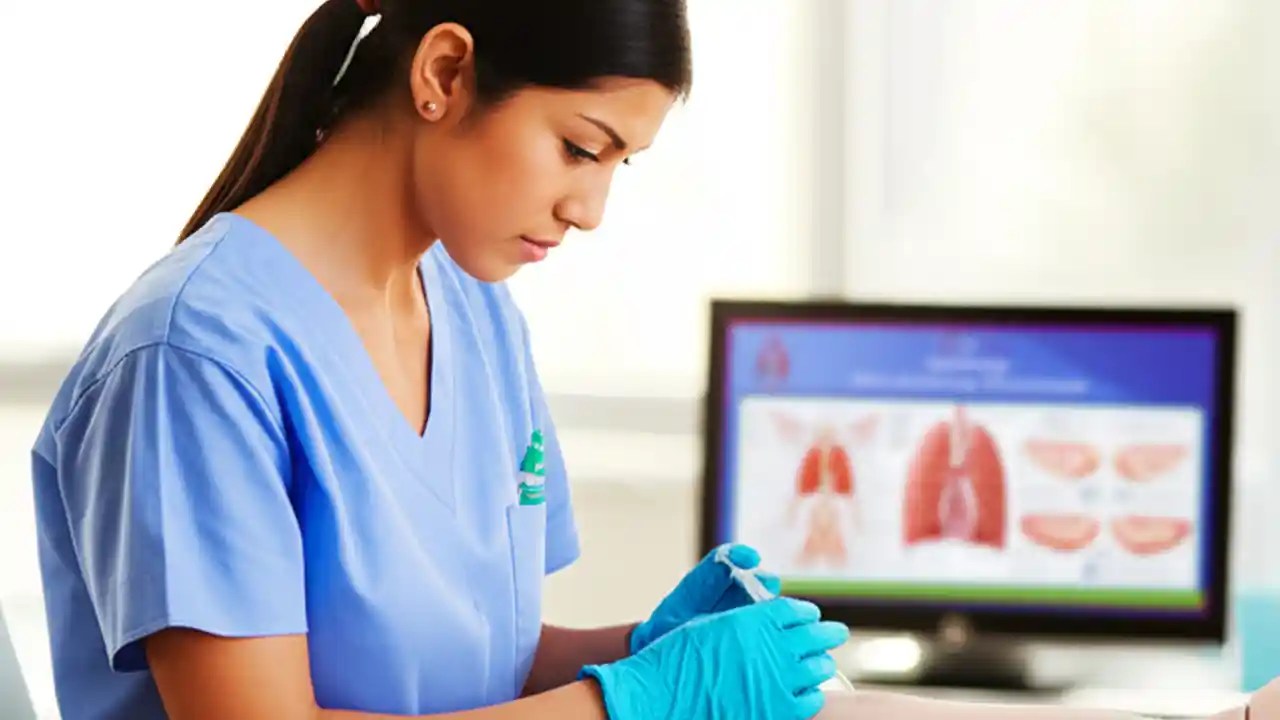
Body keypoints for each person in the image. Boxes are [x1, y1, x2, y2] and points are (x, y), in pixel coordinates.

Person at [28, 0, 849, 718]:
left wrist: (644, 650)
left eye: (618, 164)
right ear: (445, 71)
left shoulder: (475, 311)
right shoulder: (196, 356)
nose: (590, 210)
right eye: (578, 148)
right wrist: (623, 704)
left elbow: (479, 665)